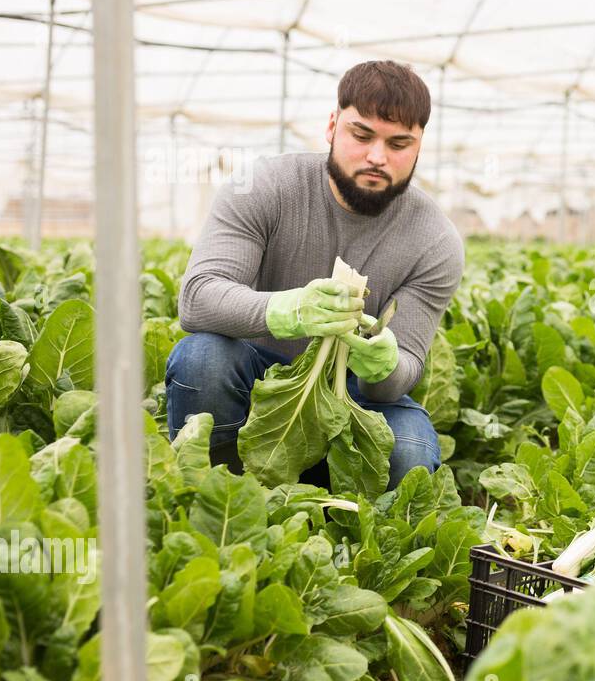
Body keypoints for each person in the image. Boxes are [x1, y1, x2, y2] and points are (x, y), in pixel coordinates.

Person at [167, 60, 464, 489]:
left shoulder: (434, 240)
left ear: (419, 146)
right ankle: (225, 496)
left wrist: (382, 365)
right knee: (204, 359)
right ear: (331, 126)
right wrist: (287, 310)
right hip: (258, 373)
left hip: (356, 394)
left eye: (399, 143)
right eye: (361, 135)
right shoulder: (266, 185)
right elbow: (198, 298)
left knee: (410, 453)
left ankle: (337, 519)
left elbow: (406, 369)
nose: (377, 157)